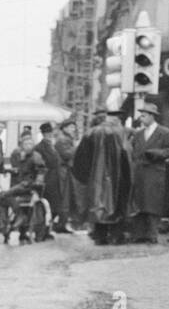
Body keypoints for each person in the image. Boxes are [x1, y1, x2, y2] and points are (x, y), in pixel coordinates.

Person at [73, 102, 133, 246]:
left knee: (98, 205)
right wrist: (128, 175)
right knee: (117, 205)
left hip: (96, 179)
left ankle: (100, 236)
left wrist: (85, 176)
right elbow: (127, 155)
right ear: (117, 119)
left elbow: (80, 158)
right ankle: (116, 236)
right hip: (118, 178)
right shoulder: (121, 133)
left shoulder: (91, 132)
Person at [126, 95, 169, 244]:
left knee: (153, 203)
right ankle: (139, 234)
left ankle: (152, 234)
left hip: (155, 171)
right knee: (139, 203)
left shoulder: (164, 132)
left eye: (144, 115)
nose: (141, 118)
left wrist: (158, 153)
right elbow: (132, 151)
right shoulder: (137, 134)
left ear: (152, 116)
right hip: (140, 172)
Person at [53, 117, 81, 232]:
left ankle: (61, 223)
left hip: (65, 171)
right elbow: (66, 154)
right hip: (63, 172)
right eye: (70, 127)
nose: (73, 129)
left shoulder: (66, 138)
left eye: (74, 127)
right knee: (64, 197)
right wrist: (77, 147)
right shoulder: (63, 140)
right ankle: (61, 224)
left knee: (66, 198)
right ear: (64, 128)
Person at [37, 123, 65, 231]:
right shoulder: (40, 147)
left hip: (55, 178)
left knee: (56, 206)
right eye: (46, 133)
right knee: (50, 205)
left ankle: (48, 226)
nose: (49, 135)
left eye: (50, 133)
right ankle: (45, 227)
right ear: (43, 134)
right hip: (48, 179)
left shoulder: (51, 146)